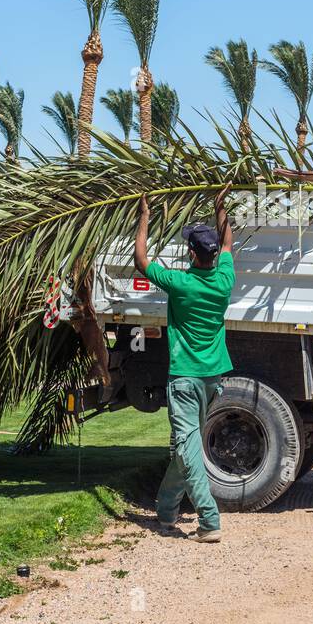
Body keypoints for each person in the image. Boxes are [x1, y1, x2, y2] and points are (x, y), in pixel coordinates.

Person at [133, 188, 235, 543]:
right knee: (185, 447)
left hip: (184, 378)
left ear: (191, 253)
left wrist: (144, 215)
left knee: (188, 447)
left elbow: (141, 261)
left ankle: (209, 520)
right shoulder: (224, 281)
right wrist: (220, 205)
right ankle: (165, 509)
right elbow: (227, 245)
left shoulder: (181, 283)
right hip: (211, 378)